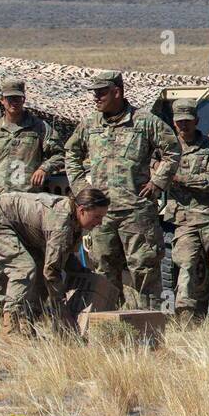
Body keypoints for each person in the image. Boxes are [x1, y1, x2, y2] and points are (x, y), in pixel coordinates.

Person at [64, 70, 179, 310]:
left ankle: (149, 326)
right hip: (101, 216)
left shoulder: (144, 122)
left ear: (117, 92)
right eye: (94, 93)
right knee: (103, 269)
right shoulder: (89, 124)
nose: (96, 98)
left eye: (101, 93)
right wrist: (80, 188)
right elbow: (71, 153)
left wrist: (157, 182)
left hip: (136, 212)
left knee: (144, 268)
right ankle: (108, 326)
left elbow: (172, 149)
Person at [0, 76, 65, 314]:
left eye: (19, 98)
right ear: (2, 101)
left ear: (24, 100)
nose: (15, 103)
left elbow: (60, 154)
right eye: (10, 98)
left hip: (26, 205)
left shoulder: (39, 128)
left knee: (30, 258)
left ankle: (28, 309)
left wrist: (45, 168)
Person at [0, 188, 110, 336]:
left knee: (40, 267)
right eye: (97, 217)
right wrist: (61, 311)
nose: (99, 223)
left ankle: (27, 320)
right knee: (24, 268)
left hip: (11, 226)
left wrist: (88, 277)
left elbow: (63, 257)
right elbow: (52, 271)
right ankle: (11, 327)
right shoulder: (61, 224)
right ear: (82, 210)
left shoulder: (73, 218)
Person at [168, 99, 209, 321]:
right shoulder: (167, 148)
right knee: (185, 267)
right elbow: (157, 174)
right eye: (179, 122)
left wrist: (179, 178)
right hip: (183, 219)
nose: (183, 126)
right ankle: (185, 317)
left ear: (196, 121)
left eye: (187, 121)